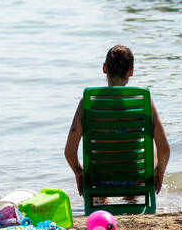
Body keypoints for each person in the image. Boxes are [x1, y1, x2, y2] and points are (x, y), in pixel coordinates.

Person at [64, 45, 169, 202]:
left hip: (99, 180)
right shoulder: (143, 101)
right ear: (131, 71)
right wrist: (159, 172)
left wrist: (79, 172)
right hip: (135, 178)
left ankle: (101, 198)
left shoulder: (88, 103)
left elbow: (70, 152)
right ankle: (131, 196)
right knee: (152, 145)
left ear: (105, 68)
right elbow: (165, 150)